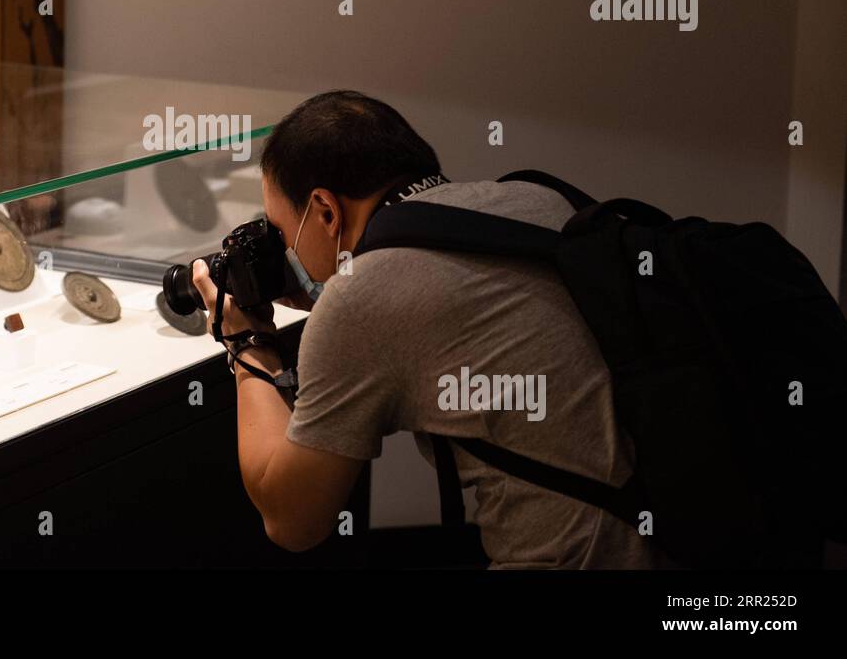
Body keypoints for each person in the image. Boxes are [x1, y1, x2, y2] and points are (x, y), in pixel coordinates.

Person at [192, 89, 669, 568]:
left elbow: (291, 520)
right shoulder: (537, 200)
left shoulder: (361, 298)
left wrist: (247, 344)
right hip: (694, 535)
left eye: (281, 230)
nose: (283, 250)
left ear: (325, 211)